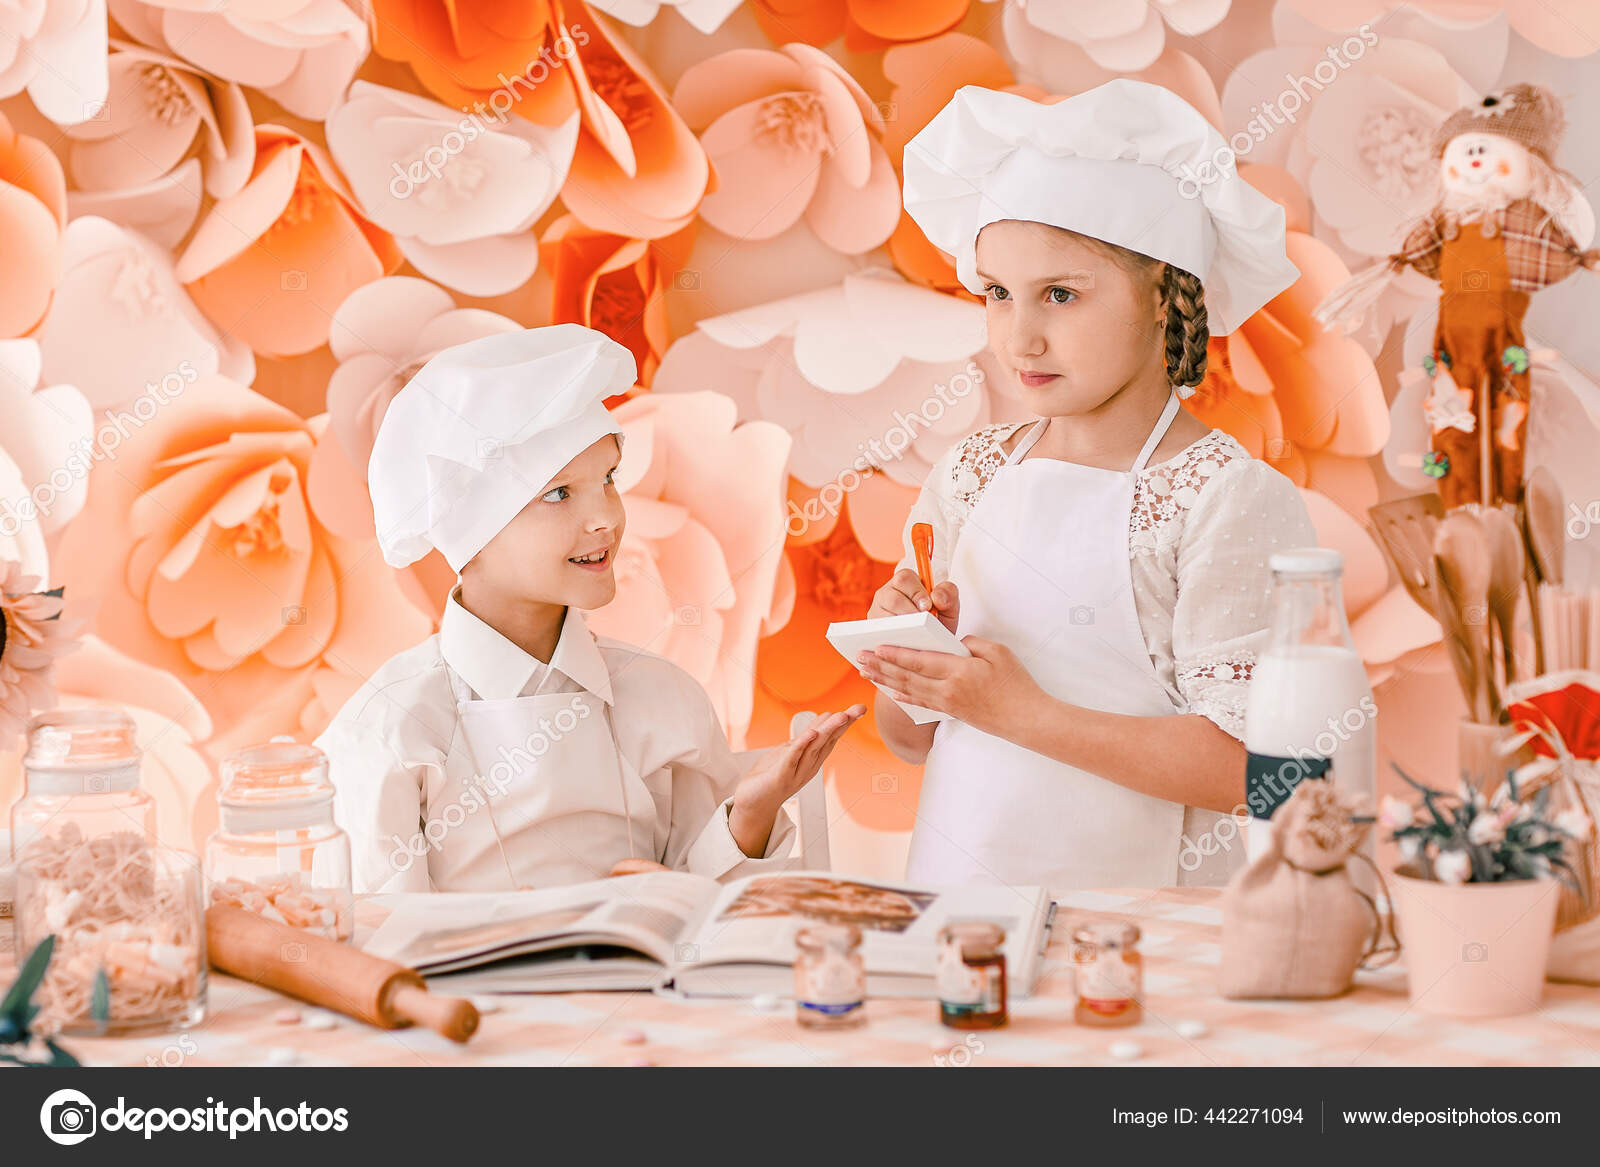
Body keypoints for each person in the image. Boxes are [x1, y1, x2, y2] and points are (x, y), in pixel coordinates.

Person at [858, 81, 1317, 890]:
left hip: (1145, 936)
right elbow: (911, 739)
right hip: (960, 914)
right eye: (997, 293)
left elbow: (1264, 773)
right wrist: (902, 658)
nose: (1019, 336)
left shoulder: (1226, 498)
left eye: (1060, 295)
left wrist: (1020, 713)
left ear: (1164, 299)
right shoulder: (970, 476)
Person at [317, 324, 864, 892]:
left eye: (607, 478)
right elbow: (385, 944)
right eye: (558, 493)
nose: (606, 516)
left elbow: (704, 916)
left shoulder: (664, 697)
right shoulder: (389, 728)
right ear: (471, 532)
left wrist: (749, 816)